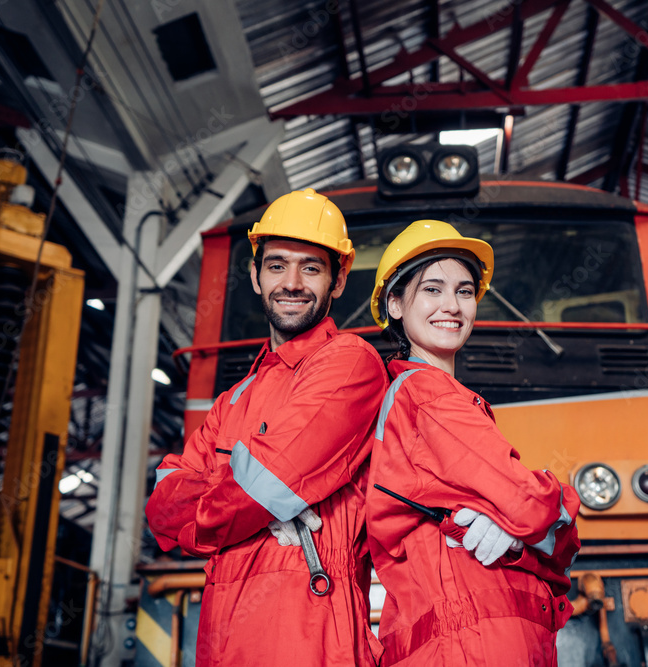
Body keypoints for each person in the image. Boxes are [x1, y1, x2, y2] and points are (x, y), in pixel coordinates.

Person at [145, 189, 387, 666]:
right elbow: (161, 508)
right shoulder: (232, 399)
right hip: (220, 637)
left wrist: (227, 498)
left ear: (338, 281)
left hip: (310, 633)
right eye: (277, 266)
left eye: (311, 268)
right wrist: (245, 499)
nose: (291, 282)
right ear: (255, 277)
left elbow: (266, 482)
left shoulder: (349, 363)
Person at [366, 220, 581, 666]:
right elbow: (534, 508)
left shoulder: (420, 397)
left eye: (465, 292)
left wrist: (520, 540)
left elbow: (529, 522)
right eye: (432, 289)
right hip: (472, 643)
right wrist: (554, 500)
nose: (453, 305)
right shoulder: (428, 396)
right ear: (395, 304)